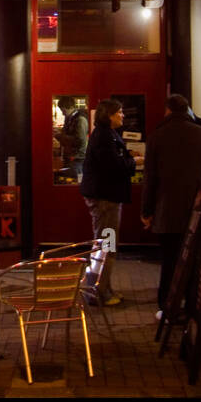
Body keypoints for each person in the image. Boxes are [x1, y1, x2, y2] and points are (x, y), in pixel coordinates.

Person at [143, 94, 201, 317]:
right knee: (195, 262)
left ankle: (167, 306)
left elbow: (150, 178)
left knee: (169, 261)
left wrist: (147, 211)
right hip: (197, 210)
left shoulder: (157, 136)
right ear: (187, 110)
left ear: (168, 110)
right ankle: (194, 306)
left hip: (165, 210)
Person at [80, 99, 135, 306]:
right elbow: (113, 166)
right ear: (110, 115)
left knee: (104, 243)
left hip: (107, 198)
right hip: (106, 200)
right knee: (107, 244)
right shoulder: (104, 137)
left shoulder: (105, 135)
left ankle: (103, 287)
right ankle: (100, 292)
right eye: (119, 112)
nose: (123, 115)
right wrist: (132, 162)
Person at [55, 96, 89, 181]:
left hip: (78, 159)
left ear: (70, 107)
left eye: (63, 111)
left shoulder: (80, 120)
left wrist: (60, 136)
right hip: (72, 157)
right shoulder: (70, 119)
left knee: (75, 182)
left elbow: (80, 140)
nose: (63, 113)